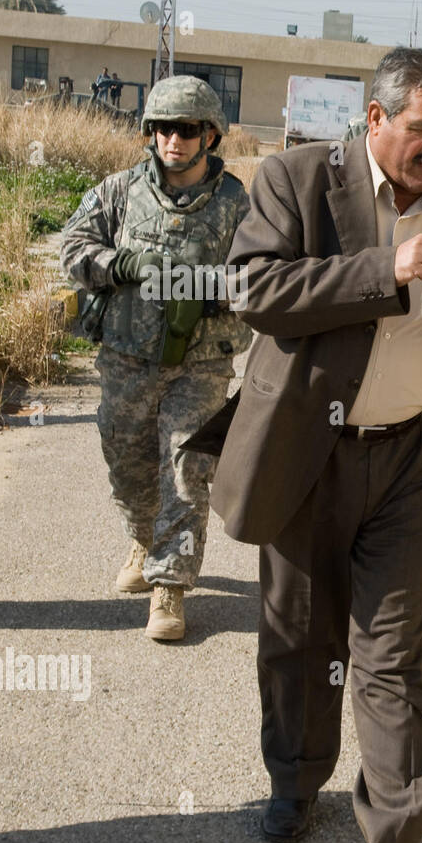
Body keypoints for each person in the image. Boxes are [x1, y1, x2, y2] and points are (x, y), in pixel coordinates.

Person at [188, 47, 422, 843]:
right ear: (375, 121)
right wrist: (388, 268)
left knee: (393, 653)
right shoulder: (295, 180)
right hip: (308, 449)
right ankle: (296, 782)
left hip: (416, 458)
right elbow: (256, 290)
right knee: (301, 635)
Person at [60, 75, 250, 641]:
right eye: (164, 128)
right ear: (150, 132)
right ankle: (143, 538)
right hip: (126, 357)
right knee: (127, 463)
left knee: (188, 468)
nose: (174, 139)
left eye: (187, 129)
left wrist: (206, 283)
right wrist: (122, 266)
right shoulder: (118, 191)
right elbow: (73, 247)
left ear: (209, 135)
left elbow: (266, 274)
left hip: (202, 362)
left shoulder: (239, 203)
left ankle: (169, 586)